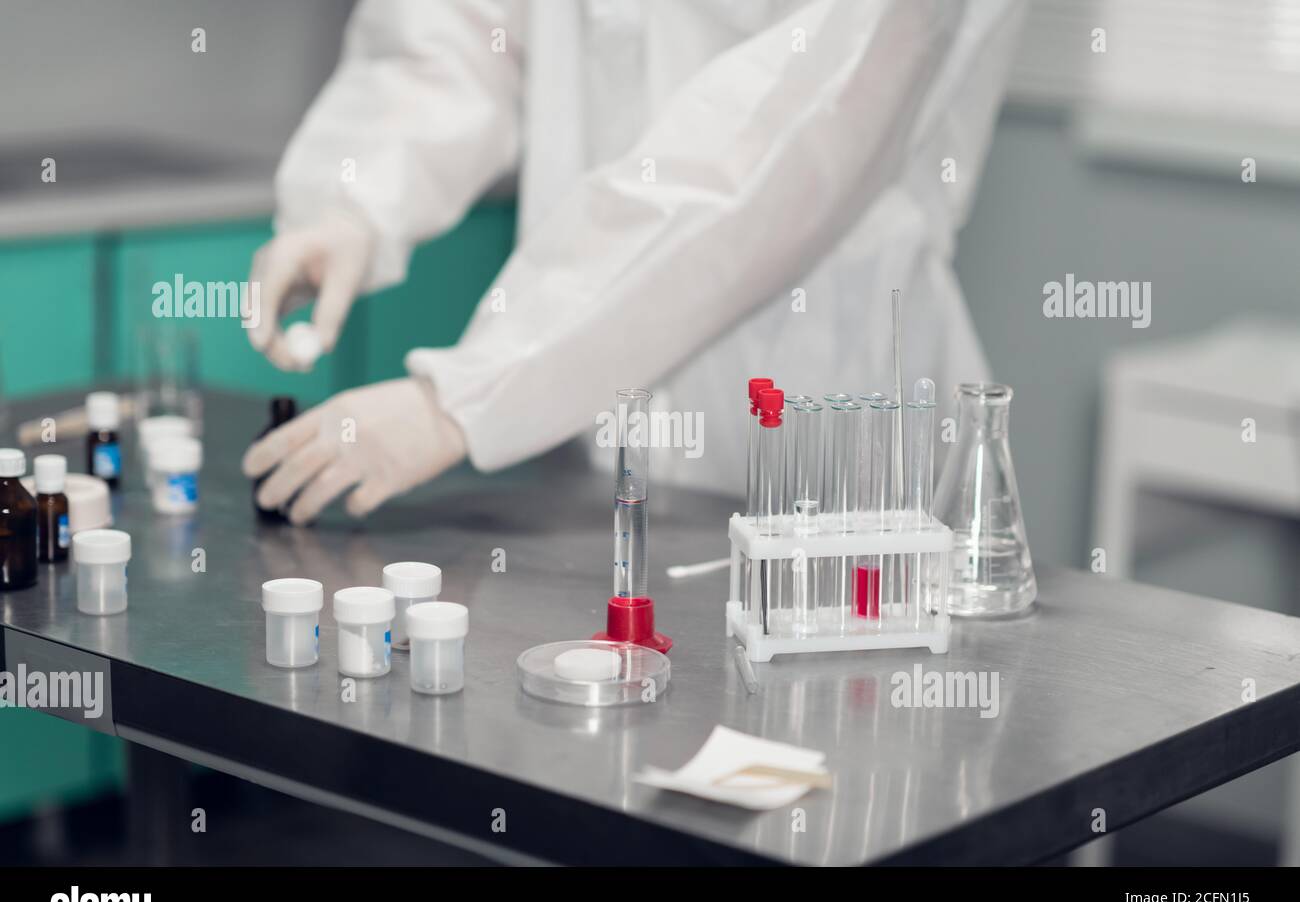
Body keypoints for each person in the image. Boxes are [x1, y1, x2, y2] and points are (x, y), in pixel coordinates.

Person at [243, 0, 1026, 525]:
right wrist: (355, 196)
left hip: (833, 414)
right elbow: (458, 29)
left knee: (832, 747)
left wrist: (471, 392)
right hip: (590, 428)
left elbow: (788, 147)